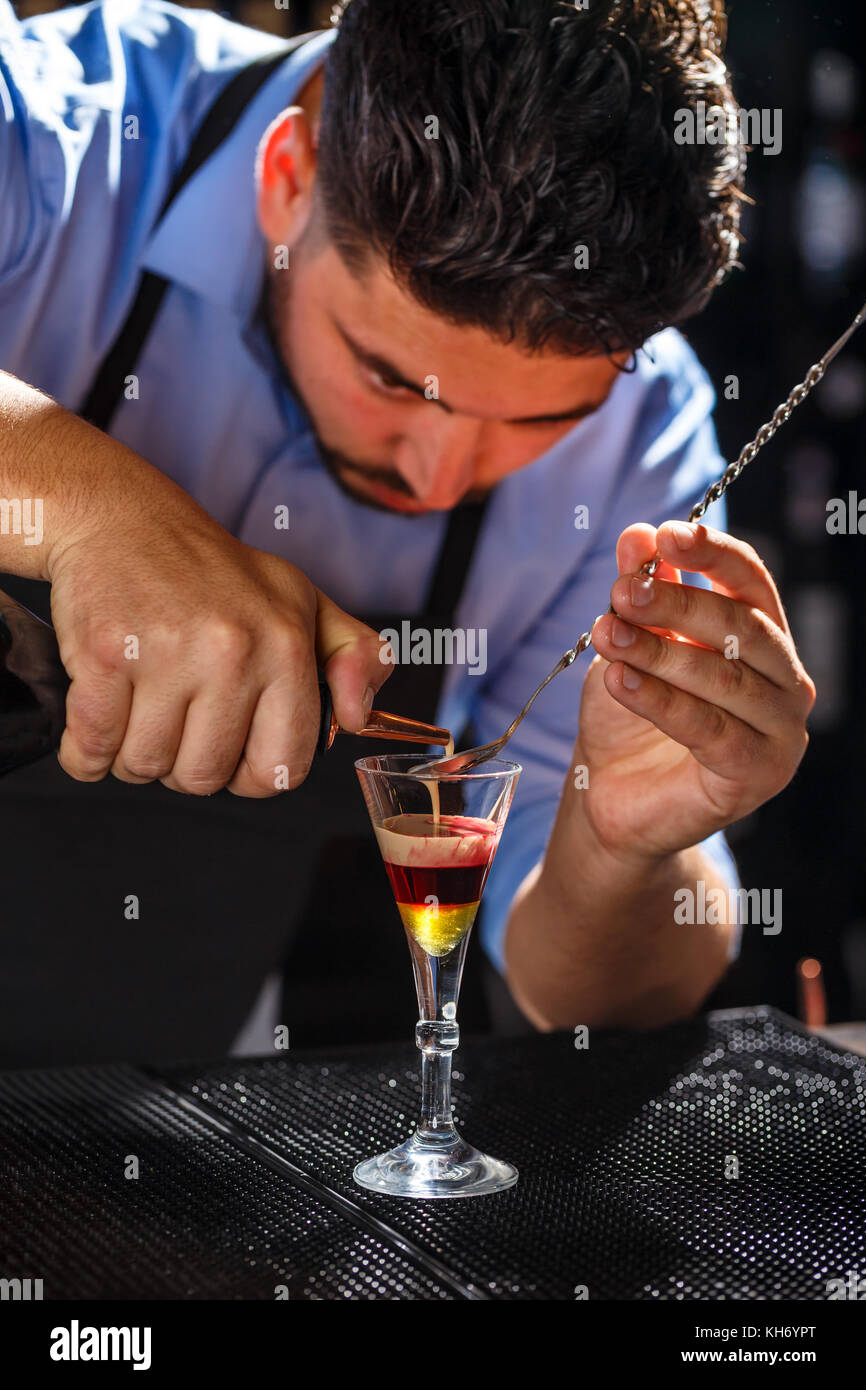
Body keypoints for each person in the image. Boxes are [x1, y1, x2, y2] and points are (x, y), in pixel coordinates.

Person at [0, 0, 814, 1063]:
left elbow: (592, 1003)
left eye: (539, 422)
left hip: (142, 1137)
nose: (435, 477)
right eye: (390, 378)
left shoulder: (638, 441)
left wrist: (616, 853)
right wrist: (94, 505)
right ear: (286, 176)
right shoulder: (57, 139)